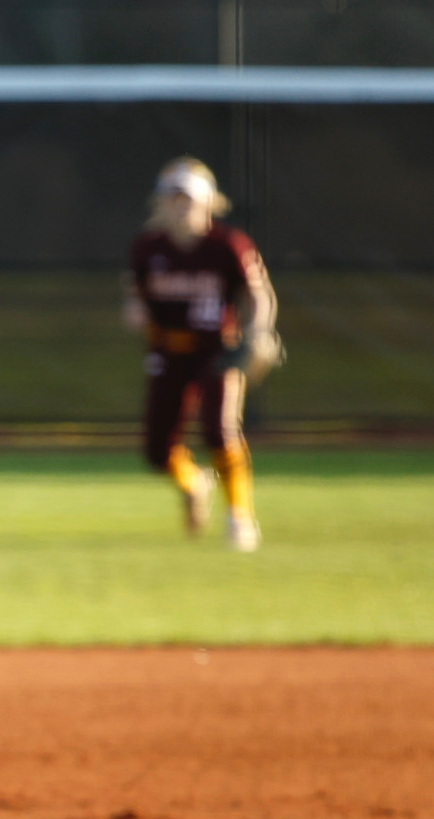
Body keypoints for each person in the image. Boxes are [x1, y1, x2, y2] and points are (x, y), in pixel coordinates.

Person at [123, 156, 283, 552]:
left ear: (209, 202)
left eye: (188, 198)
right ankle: (194, 482)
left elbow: (259, 295)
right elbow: (134, 297)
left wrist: (259, 330)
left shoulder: (227, 245)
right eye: (172, 198)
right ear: (159, 203)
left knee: (220, 431)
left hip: (217, 351)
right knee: (158, 450)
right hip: (169, 349)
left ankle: (240, 517)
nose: (180, 206)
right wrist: (134, 309)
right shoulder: (148, 248)